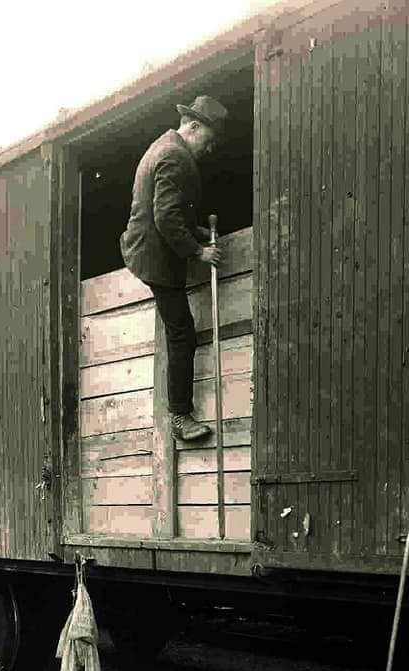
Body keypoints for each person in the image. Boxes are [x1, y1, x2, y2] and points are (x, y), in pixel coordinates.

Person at [119, 95, 228, 441]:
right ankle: (180, 417)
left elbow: (168, 209)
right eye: (207, 141)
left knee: (179, 330)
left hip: (151, 247)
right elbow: (165, 216)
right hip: (153, 257)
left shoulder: (163, 145)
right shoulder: (175, 156)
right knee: (182, 334)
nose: (208, 149)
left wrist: (194, 230)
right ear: (192, 127)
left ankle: (180, 412)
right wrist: (198, 251)